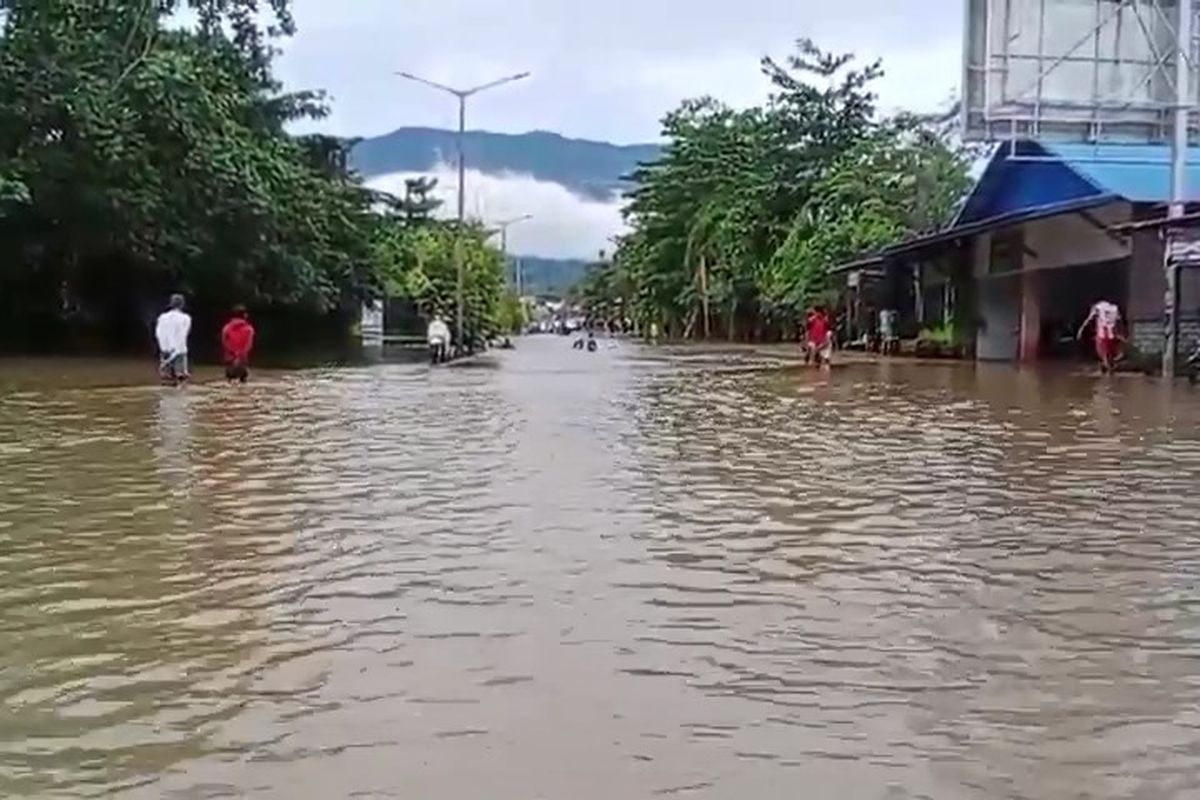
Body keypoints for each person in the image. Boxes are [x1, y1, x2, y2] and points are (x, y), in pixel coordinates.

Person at [155, 293, 192, 385]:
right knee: (181, 378)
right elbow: (184, 335)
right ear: (182, 304)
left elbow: (158, 333)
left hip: (165, 350)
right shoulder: (185, 318)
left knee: (165, 378)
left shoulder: (162, 317)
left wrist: (163, 347)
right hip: (179, 351)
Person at [1077, 298, 1122, 373]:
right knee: (1110, 352)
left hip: (1102, 334)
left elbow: (1089, 319)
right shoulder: (1115, 308)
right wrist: (1120, 333)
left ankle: (1107, 366)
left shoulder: (1097, 307)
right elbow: (1119, 321)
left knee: (1102, 352)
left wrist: (1081, 330)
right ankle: (1109, 366)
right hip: (1112, 335)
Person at [221, 305, 256, 383]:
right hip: (242, 360)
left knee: (229, 383)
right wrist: (239, 356)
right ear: (244, 315)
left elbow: (224, 342)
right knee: (242, 385)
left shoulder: (226, 327)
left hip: (230, 359)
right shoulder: (249, 329)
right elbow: (249, 345)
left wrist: (233, 354)